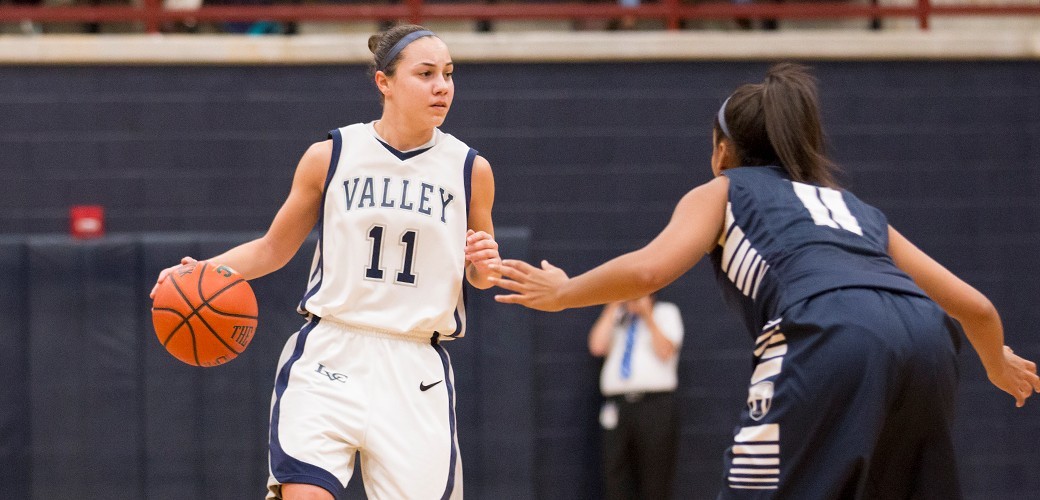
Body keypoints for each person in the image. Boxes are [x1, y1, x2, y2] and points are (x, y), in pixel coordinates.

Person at [491, 63, 1040, 498]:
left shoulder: (725, 189)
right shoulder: (852, 207)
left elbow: (650, 269)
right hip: (928, 338)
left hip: (829, 330)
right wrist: (996, 363)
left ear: (723, 150)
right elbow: (978, 308)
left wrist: (564, 292)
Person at [150, 24, 500, 500]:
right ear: (385, 83)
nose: (442, 86)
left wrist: (483, 264)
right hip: (331, 351)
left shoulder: (469, 168)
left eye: (448, 74)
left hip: (415, 365)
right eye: (425, 74)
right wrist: (203, 271)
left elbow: (482, 277)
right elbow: (273, 248)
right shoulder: (331, 155)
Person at [588, 295, 683, 500]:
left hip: (654, 405)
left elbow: (666, 351)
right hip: (618, 406)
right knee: (615, 476)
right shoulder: (618, 316)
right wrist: (612, 306)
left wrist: (647, 315)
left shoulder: (666, 312)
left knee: (655, 477)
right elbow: (596, 346)